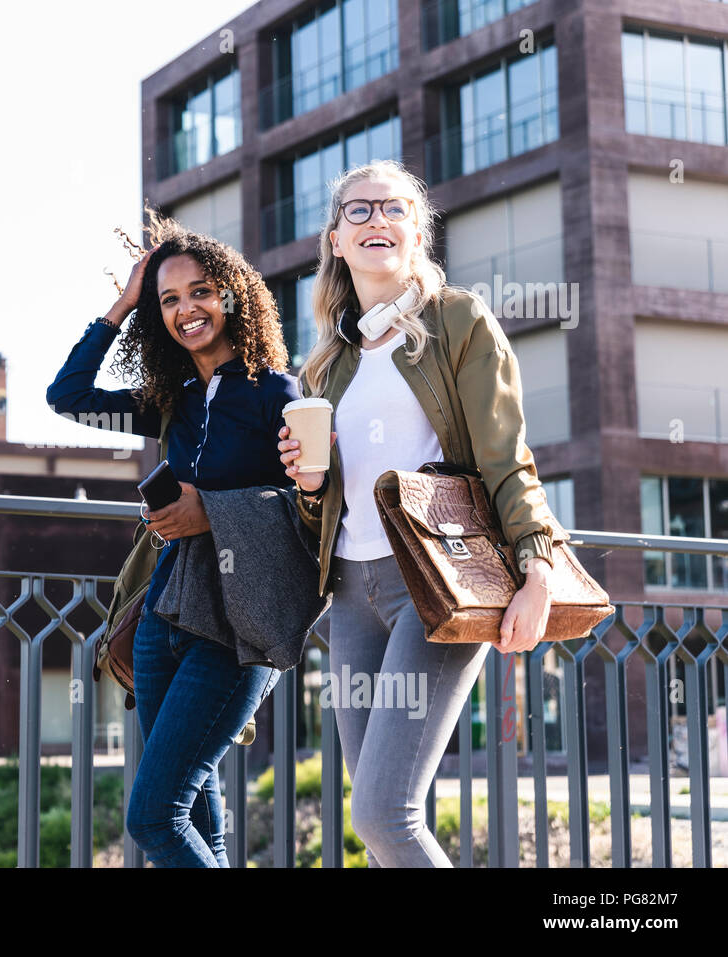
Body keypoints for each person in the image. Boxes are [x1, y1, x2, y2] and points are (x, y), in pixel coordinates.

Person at [277, 159, 558, 866]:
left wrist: (538, 565)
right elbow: (322, 508)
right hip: (349, 594)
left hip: (433, 585)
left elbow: (504, 455)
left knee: (382, 814)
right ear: (335, 239)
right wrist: (311, 482)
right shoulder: (326, 365)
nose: (377, 221)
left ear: (418, 231)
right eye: (359, 211)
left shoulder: (457, 321)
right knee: (379, 823)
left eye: (394, 208)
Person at [46, 210, 299, 866]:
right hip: (163, 616)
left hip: (238, 625)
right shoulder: (171, 399)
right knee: (198, 811)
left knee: (154, 817)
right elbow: (68, 396)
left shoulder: (280, 394)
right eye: (168, 299)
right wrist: (123, 303)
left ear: (232, 294)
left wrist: (211, 512)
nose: (186, 309)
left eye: (199, 292)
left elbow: (314, 508)